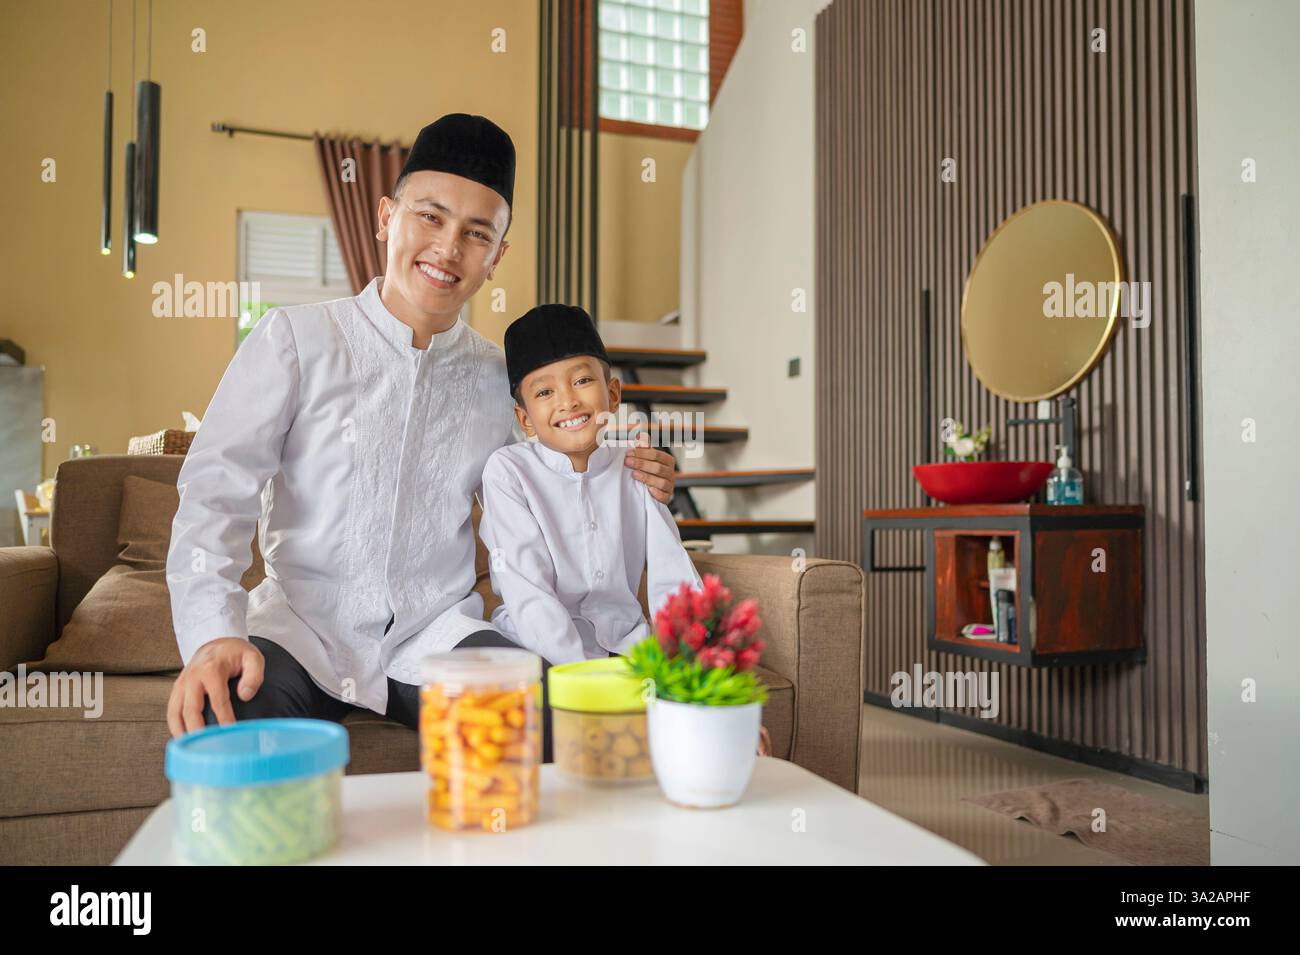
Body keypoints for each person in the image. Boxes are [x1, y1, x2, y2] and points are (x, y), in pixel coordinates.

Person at [164, 114, 678, 742]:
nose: (448, 248)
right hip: (300, 630)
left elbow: (562, 474)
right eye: (430, 217)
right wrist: (214, 634)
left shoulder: (500, 379)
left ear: (496, 257)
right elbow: (215, 492)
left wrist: (630, 468)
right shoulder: (296, 340)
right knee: (227, 724)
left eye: (475, 233)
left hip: (437, 635)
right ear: (386, 217)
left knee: (547, 721)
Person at [479, 304, 702, 664]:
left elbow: (671, 573)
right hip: (534, 651)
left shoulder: (635, 460)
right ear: (525, 419)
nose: (568, 401)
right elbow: (528, 591)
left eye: (582, 381)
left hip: (628, 644)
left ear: (613, 395)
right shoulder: (508, 472)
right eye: (544, 393)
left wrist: (693, 666)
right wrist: (578, 676)